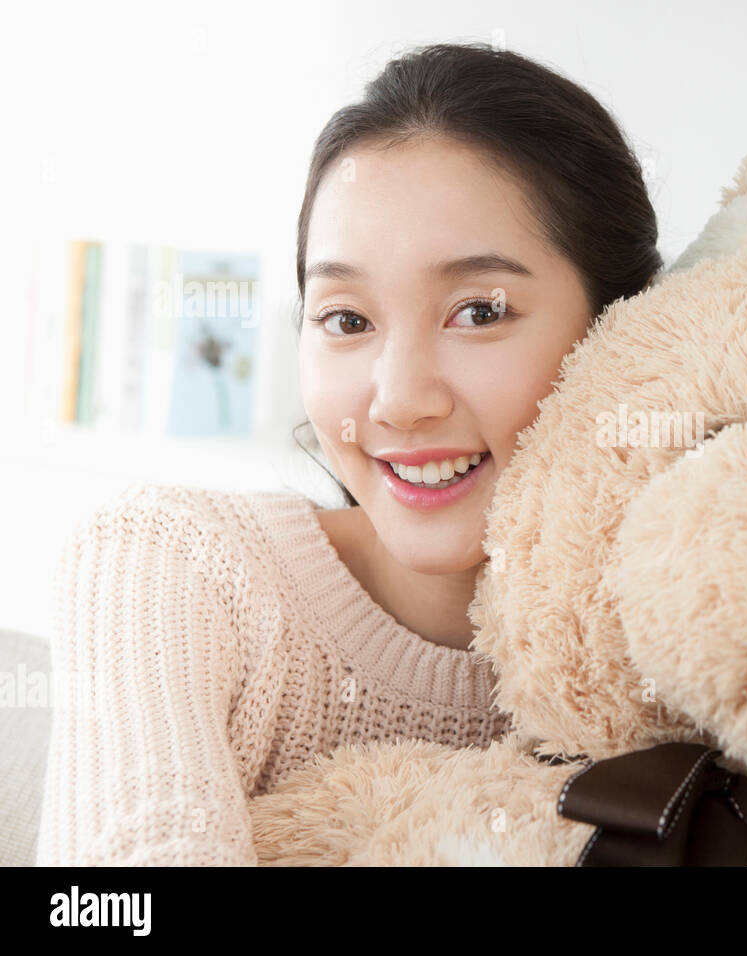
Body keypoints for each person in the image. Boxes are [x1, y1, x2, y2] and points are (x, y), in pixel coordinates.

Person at [35, 40, 663, 866]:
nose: (398, 399)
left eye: (478, 311)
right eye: (347, 319)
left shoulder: (687, 654)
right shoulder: (171, 566)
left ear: (620, 330)